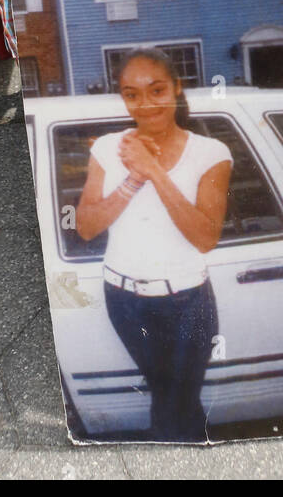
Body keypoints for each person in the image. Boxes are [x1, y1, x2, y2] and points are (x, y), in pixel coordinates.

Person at [75, 48, 232, 441]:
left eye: (157, 90)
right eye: (131, 94)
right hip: (125, 301)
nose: (145, 104)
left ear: (177, 88)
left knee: (175, 402)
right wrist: (131, 180)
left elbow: (205, 237)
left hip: (186, 302)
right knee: (170, 397)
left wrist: (153, 170)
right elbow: (86, 227)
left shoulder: (211, 153)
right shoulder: (107, 148)